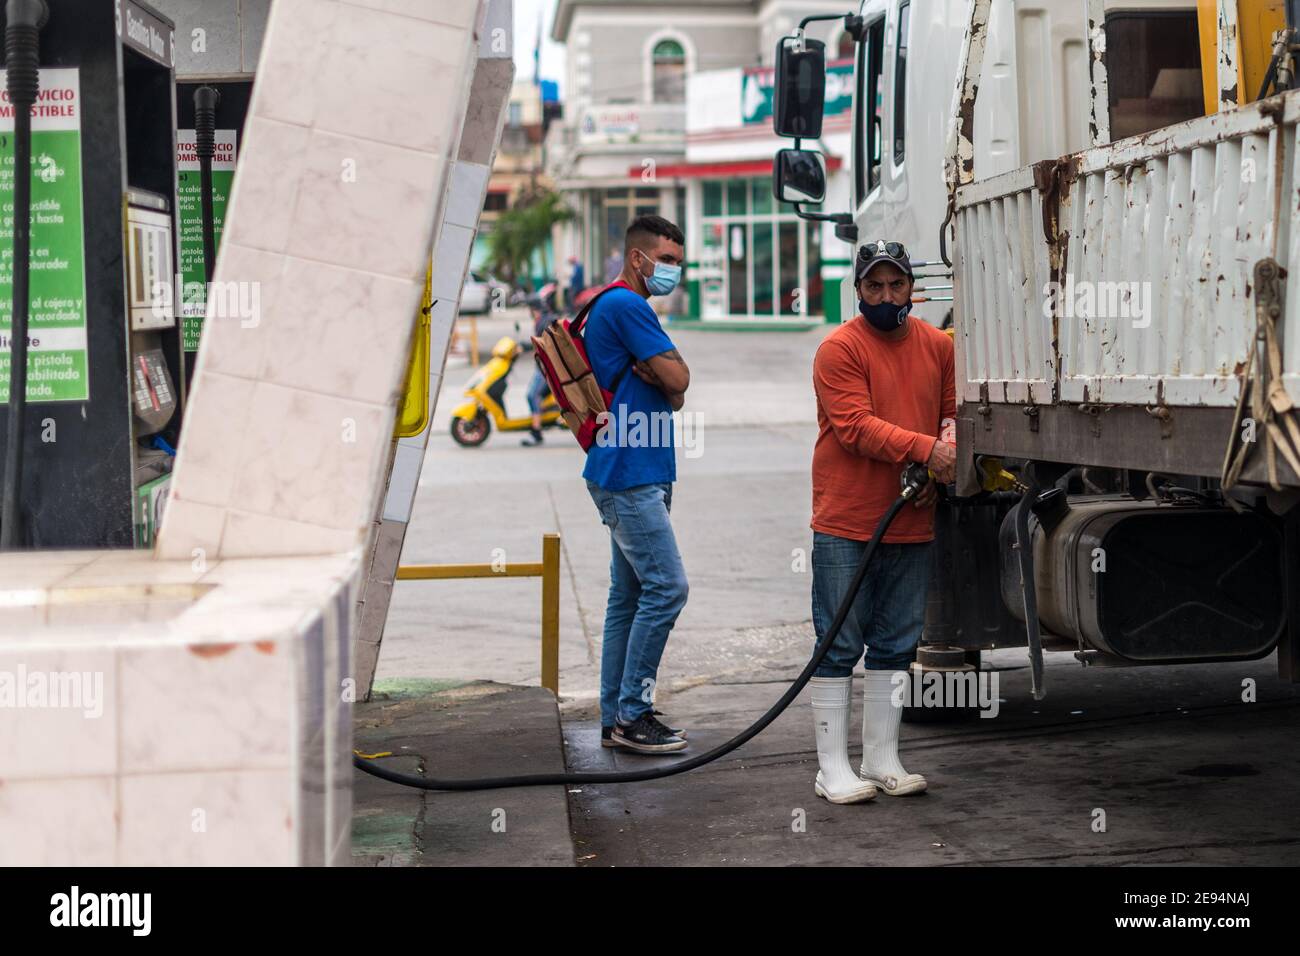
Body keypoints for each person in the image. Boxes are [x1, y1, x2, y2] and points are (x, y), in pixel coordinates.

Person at [807, 240, 956, 804]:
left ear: (912, 289)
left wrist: (940, 461)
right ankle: (831, 768)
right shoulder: (839, 348)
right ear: (858, 290)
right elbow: (855, 428)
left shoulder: (937, 345)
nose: (887, 296)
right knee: (839, 642)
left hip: (912, 514)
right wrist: (927, 452)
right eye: (875, 286)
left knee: (896, 642)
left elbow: (951, 413)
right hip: (848, 519)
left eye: (897, 285)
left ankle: (881, 758)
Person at [583, 215, 691, 754]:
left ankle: (615, 714)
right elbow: (679, 381)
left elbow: (674, 391)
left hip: (631, 467)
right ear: (637, 258)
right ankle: (633, 712)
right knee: (668, 588)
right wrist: (668, 373)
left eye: (678, 262)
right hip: (630, 473)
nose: (672, 270)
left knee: (627, 596)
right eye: (666, 260)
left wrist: (669, 378)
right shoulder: (626, 304)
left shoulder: (624, 307)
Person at [521, 292, 559, 447]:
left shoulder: (542, 322)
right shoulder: (544, 320)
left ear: (533, 309)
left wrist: (524, 347)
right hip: (543, 366)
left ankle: (536, 432)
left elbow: (543, 343)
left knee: (532, 395)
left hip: (545, 368)